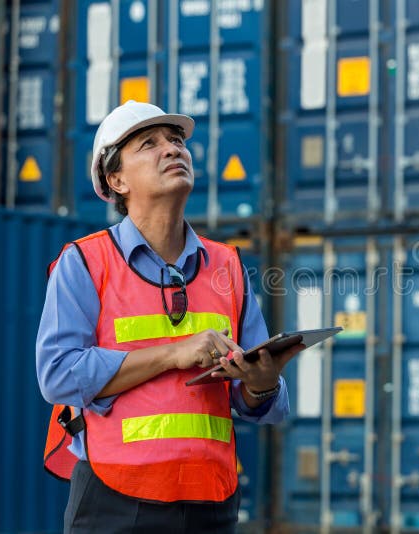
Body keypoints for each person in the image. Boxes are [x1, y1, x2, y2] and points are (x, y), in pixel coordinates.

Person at [36, 100, 302, 532]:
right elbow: (57, 375)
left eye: (177, 141)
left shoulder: (227, 266)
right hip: (115, 499)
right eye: (150, 144)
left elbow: (262, 406)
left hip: (211, 501)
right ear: (116, 178)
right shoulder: (84, 262)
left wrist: (261, 383)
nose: (173, 149)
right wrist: (172, 354)